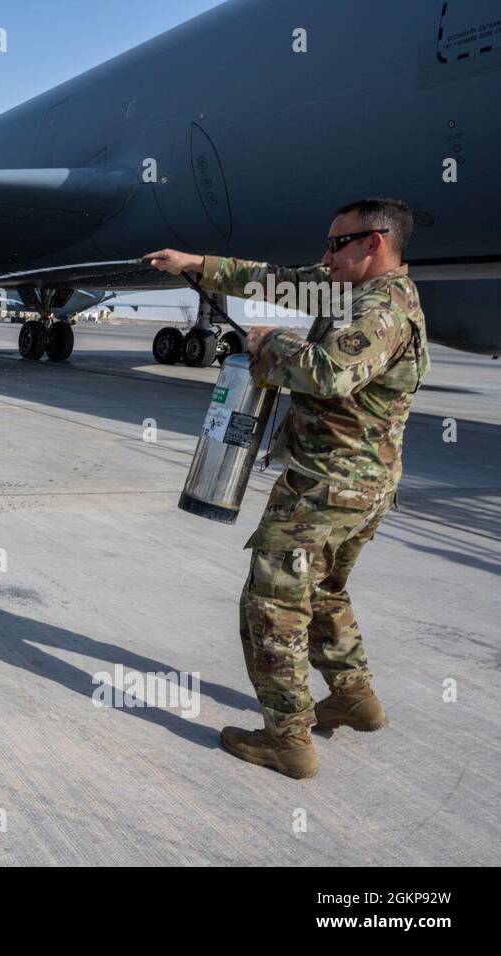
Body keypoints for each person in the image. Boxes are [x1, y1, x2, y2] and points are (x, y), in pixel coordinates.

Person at [148, 197, 429, 778]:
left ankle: (288, 738)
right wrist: (193, 263)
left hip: (327, 489)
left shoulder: (381, 309)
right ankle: (354, 696)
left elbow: (329, 373)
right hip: (363, 487)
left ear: (374, 242)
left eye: (336, 244)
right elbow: (276, 280)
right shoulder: (347, 291)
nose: (325, 258)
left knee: (272, 606)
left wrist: (268, 345)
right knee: (324, 593)